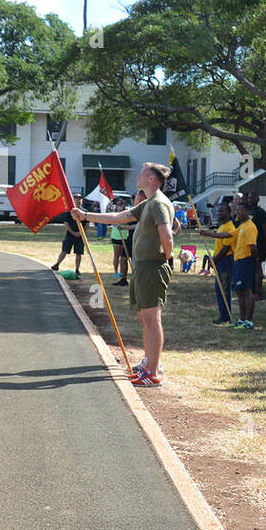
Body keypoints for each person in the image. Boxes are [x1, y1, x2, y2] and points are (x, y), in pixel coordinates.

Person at [74, 164, 175, 384]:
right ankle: (149, 364)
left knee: (152, 317)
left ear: (151, 179)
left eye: (142, 173)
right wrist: (85, 215)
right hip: (141, 267)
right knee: (144, 317)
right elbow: (120, 217)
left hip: (152, 266)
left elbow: (167, 237)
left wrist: (167, 259)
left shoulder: (158, 203)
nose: (138, 176)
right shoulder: (148, 202)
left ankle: (153, 373)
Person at [199, 202, 236, 324]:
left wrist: (214, 259)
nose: (219, 213)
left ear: (229, 213)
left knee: (224, 288)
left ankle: (226, 316)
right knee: (219, 288)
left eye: (222, 211)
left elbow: (225, 249)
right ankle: (223, 315)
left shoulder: (230, 227)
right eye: (218, 211)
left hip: (225, 260)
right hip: (220, 260)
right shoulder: (222, 226)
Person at [229, 196, 260, 329]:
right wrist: (207, 234)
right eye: (236, 210)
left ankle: (249, 321)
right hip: (239, 261)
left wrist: (255, 263)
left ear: (247, 212)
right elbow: (229, 235)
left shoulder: (250, 227)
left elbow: (253, 248)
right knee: (239, 291)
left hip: (246, 261)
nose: (237, 212)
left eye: (240, 210)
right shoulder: (242, 226)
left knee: (247, 291)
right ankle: (241, 319)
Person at [247, 193, 266, 298]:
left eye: (253, 198)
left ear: (258, 199)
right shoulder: (247, 211)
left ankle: (258, 291)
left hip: (259, 244)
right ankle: (251, 288)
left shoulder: (261, 212)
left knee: (257, 266)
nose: (250, 200)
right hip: (247, 244)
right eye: (249, 198)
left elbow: (265, 229)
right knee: (250, 266)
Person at [49, 211, 84, 278]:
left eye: (80, 199)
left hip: (80, 236)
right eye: (77, 199)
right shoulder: (69, 212)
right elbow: (66, 224)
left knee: (78, 253)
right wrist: (73, 232)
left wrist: (80, 232)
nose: (79, 201)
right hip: (69, 235)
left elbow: (86, 225)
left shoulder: (83, 211)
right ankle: (57, 264)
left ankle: (77, 269)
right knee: (64, 250)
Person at [108, 199, 131, 285]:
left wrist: (121, 223)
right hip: (116, 236)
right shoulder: (114, 214)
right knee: (116, 255)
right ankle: (116, 271)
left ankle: (122, 273)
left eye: (121, 204)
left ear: (123, 205)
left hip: (125, 236)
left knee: (124, 256)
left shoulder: (125, 214)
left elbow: (127, 224)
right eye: (118, 204)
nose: (119, 206)